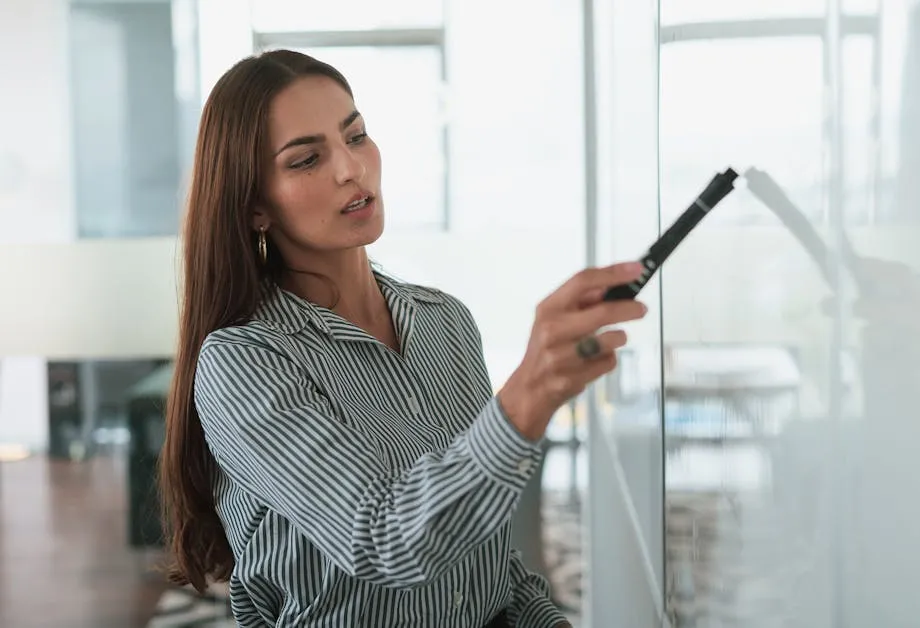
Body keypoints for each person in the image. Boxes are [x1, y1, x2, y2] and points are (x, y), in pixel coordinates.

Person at [158, 49, 648, 627]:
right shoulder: (242, 363)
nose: (350, 169)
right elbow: (381, 539)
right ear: (255, 206)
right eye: (307, 159)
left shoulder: (446, 321)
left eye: (356, 135)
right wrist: (528, 398)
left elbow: (486, 552)